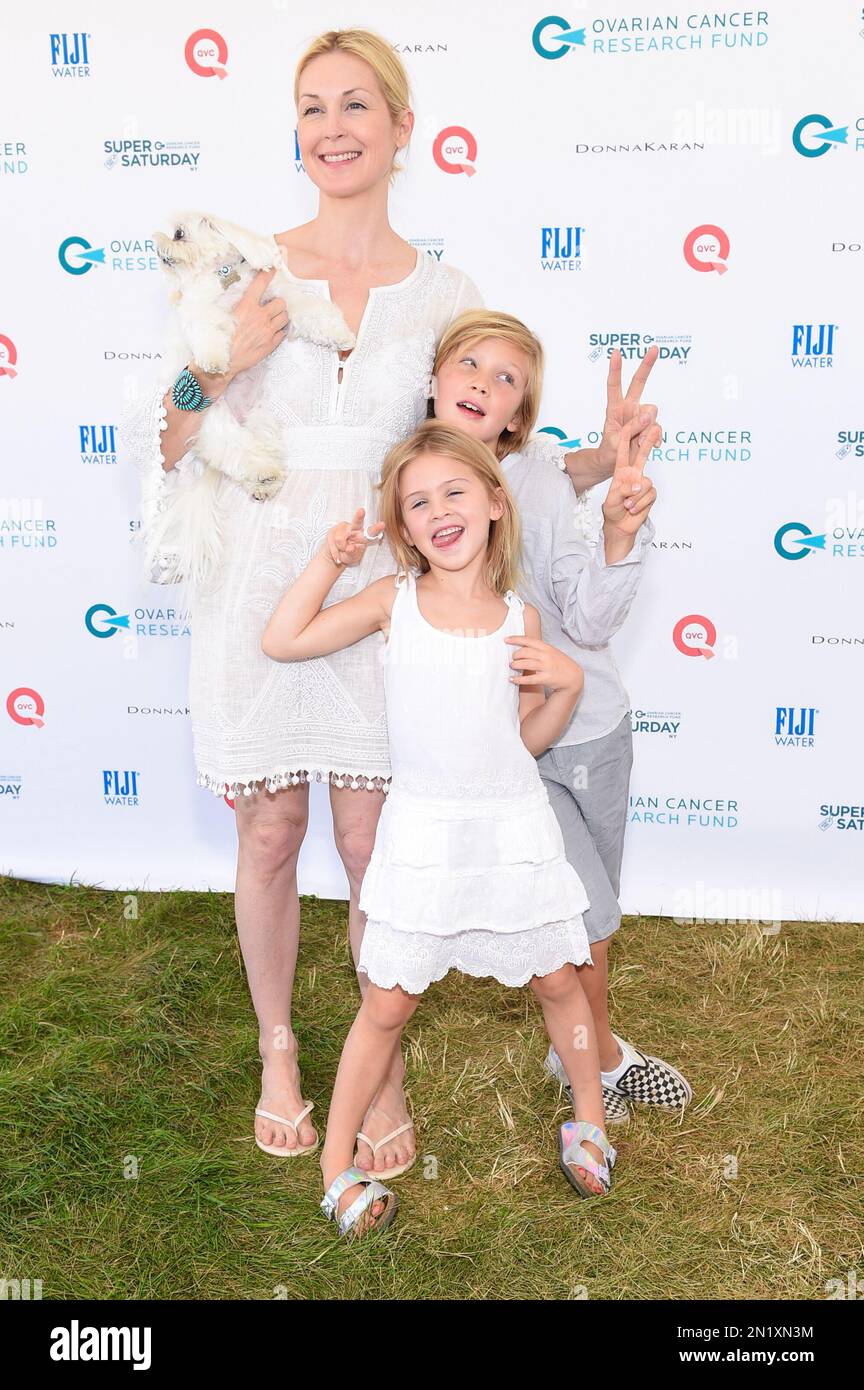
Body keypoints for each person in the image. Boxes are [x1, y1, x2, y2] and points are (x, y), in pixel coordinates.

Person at [119, 28, 485, 1172]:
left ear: (401, 129)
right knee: (270, 827)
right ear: (296, 133)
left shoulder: (446, 291)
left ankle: (376, 1064)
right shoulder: (241, 266)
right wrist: (218, 368)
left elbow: (485, 447)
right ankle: (279, 1046)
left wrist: (595, 482)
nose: (332, 126)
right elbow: (171, 438)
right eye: (312, 107)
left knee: (376, 840)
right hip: (254, 588)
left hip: (380, 593)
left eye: (356, 105)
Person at [261, 420, 648, 1235]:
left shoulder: (520, 621)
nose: (439, 510)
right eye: (417, 502)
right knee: (387, 1005)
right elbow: (283, 638)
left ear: (496, 502)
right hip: (426, 838)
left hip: (512, 829)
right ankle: (337, 1169)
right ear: (402, 529)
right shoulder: (389, 602)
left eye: (455, 491)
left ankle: (590, 1123)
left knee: (557, 981)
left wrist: (568, 691)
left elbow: (519, 744)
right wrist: (329, 562)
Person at [429, 310, 693, 1121]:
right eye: (468, 363)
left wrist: (617, 526)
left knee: (595, 918)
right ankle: (603, 1058)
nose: (482, 381)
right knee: (586, 914)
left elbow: (590, 615)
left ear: (520, 412)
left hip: (595, 729)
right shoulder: (410, 479)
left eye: (506, 377)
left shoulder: (540, 474)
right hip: (508, 746)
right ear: (433, 378)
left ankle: (579, 1051)